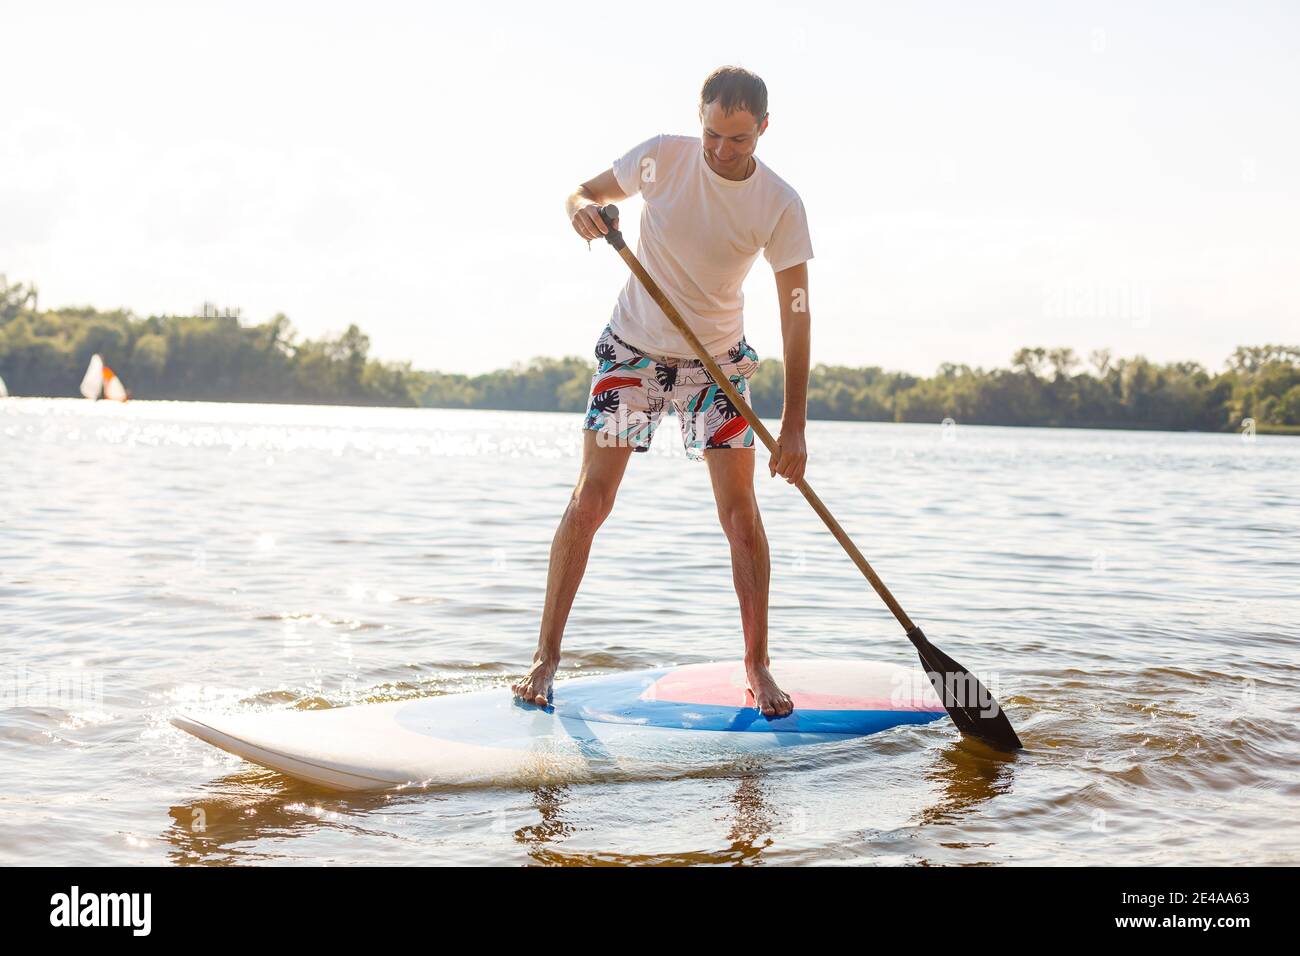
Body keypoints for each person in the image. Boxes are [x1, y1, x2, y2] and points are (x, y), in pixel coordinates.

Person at [511, 65, 814, 717]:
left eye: (738, 140)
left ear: (763, 128)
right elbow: (579, 193)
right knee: (591, 501)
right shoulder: (661, 159)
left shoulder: (779, 203)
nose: (722, 152)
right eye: (712, 135)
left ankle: (758, 667)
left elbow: (796, 309)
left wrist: (794, 424)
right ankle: (545, 659)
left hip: (718, 368)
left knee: (740, 517)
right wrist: (583, 214)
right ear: (698, 120)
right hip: (634, 351)